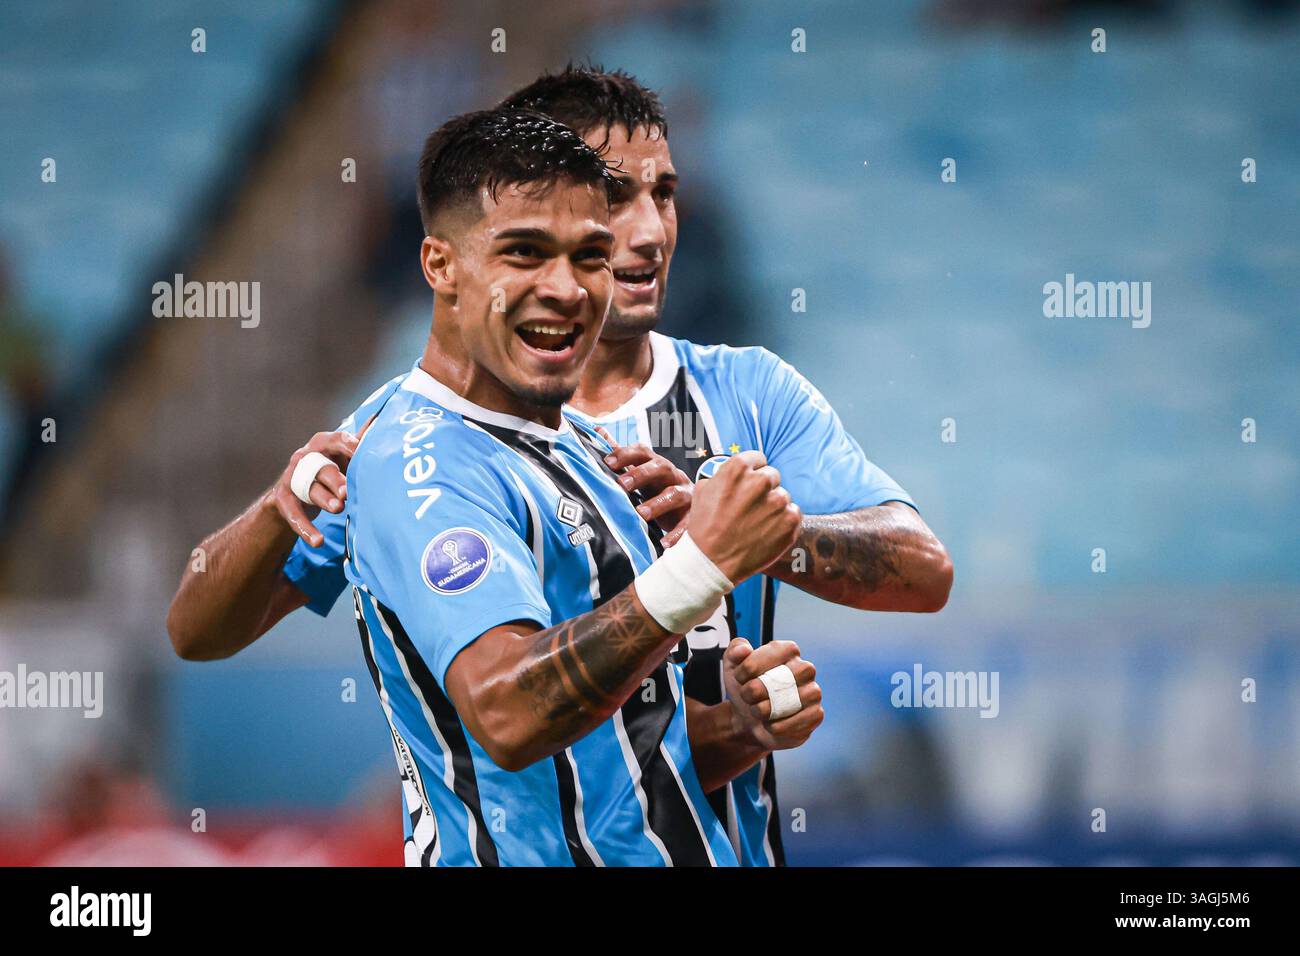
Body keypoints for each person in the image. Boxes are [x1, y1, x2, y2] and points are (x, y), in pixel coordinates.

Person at [168, 67, 953, 866]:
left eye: (664, 195)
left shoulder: (705, 405)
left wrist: (739, 690)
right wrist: (275, 510)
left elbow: (922, 574)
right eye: (613, 198)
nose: (645, 232)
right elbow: (201, 631)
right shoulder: (406, 445)